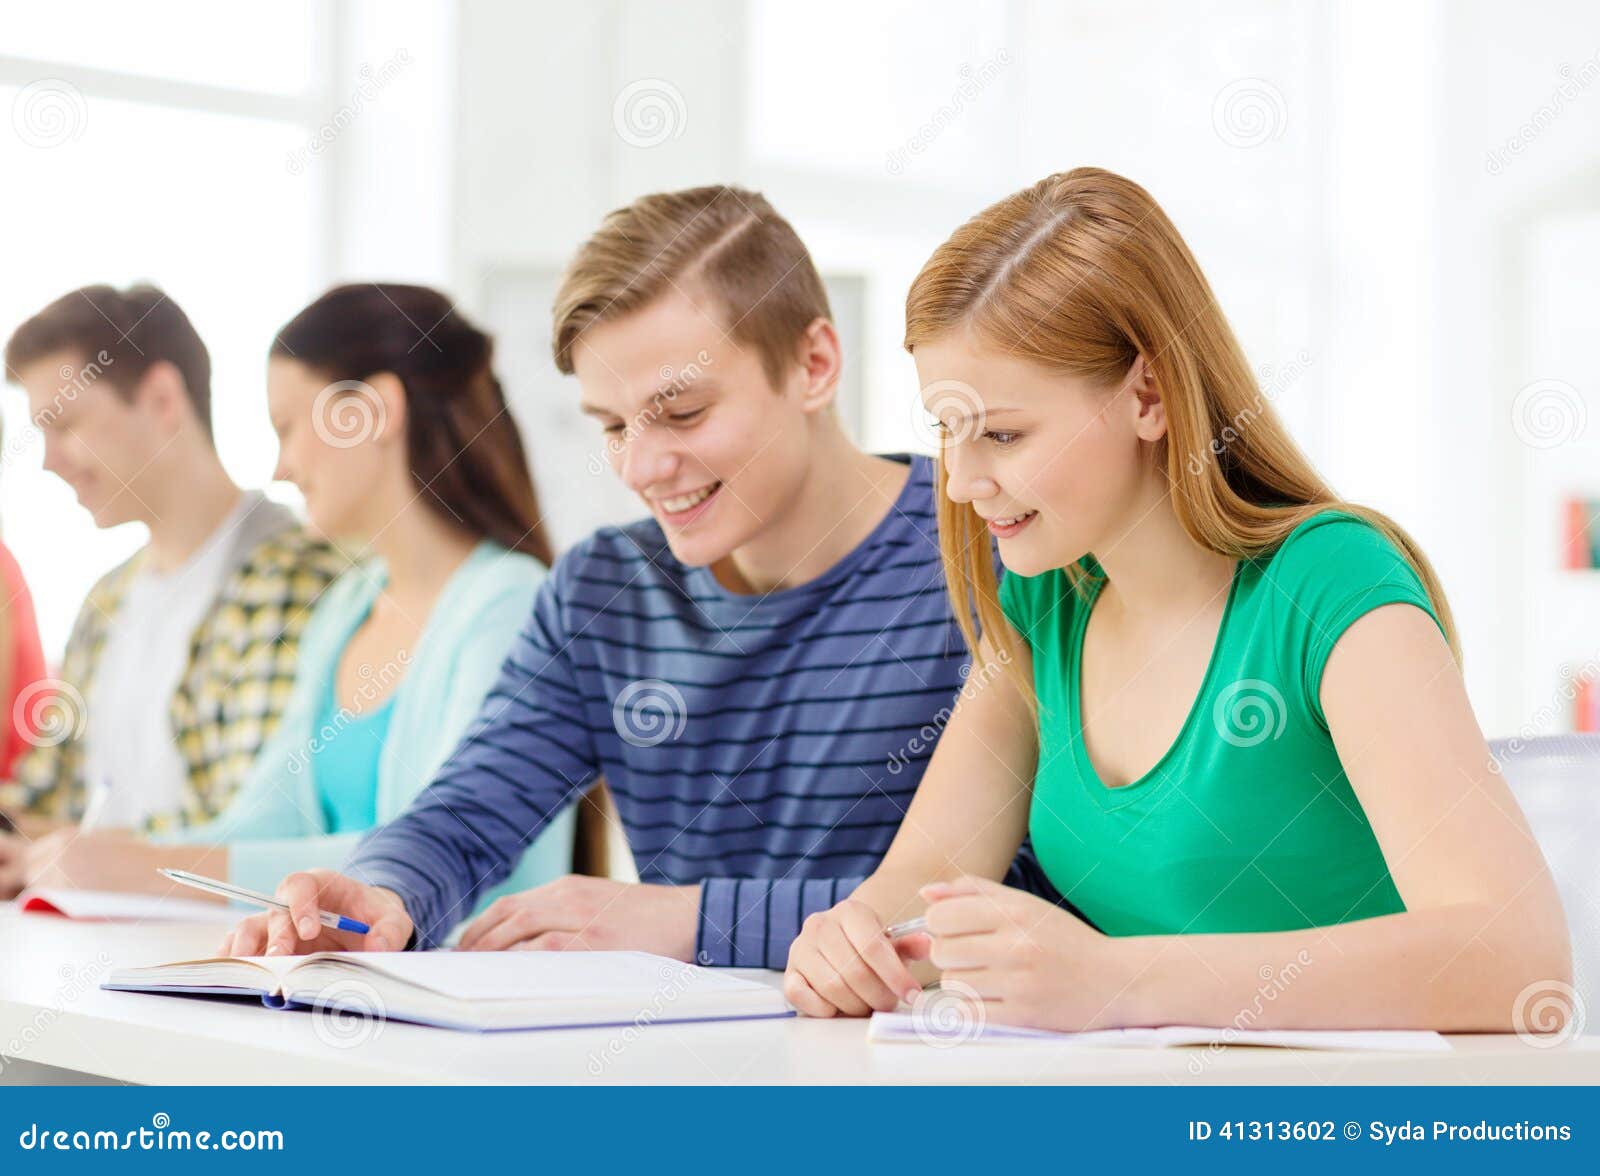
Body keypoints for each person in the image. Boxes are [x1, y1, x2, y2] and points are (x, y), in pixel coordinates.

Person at [784, 167, 1571, 1032]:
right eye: (948, 430)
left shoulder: (1331, 583)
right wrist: (854, 936)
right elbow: (928, 877)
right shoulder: (1047, 605)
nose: (963, 481)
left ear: (1149, 396)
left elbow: (1519, 960)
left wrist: (1119, 982)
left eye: (1003, 433)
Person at [220, 185, 1056, 962]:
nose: (642, 467)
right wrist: (381, 891)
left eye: (682, 413)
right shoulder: (605, 590)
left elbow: (1016, 902)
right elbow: (470, 813)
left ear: (814, 364)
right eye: (614, 425)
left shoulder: (999, 555)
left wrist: (688, 921)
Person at [21, 285, 574, 919]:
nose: (279, 469)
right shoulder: (346, 610)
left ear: (372, 412)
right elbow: (259, 825)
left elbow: (451, 854)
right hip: (345, 977)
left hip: (456, 978)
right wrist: (118, 862)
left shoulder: (508, 605)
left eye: (286, 428)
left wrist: (142, 870)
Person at [0, 286, 345, 895]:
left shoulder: (297, 580)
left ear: (161, 398)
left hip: (208, 943)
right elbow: (44, 795)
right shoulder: (106, 602)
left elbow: (249, 826)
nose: (48, 460)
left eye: (66, 425)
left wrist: (84, 851)